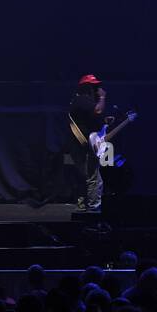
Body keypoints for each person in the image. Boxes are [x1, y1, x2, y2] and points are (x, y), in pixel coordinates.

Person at [68, 74, 107, 211]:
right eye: (94, 87)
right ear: (87, 88)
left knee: (91, 178)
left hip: (82, 147)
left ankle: (84, 204)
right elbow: (98, 109)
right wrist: (102, 97)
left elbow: (89, 120)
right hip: (84, 148)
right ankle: (93, 209)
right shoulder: (82, 100)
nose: (96, 90)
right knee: (93, 178)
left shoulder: (79, 101)